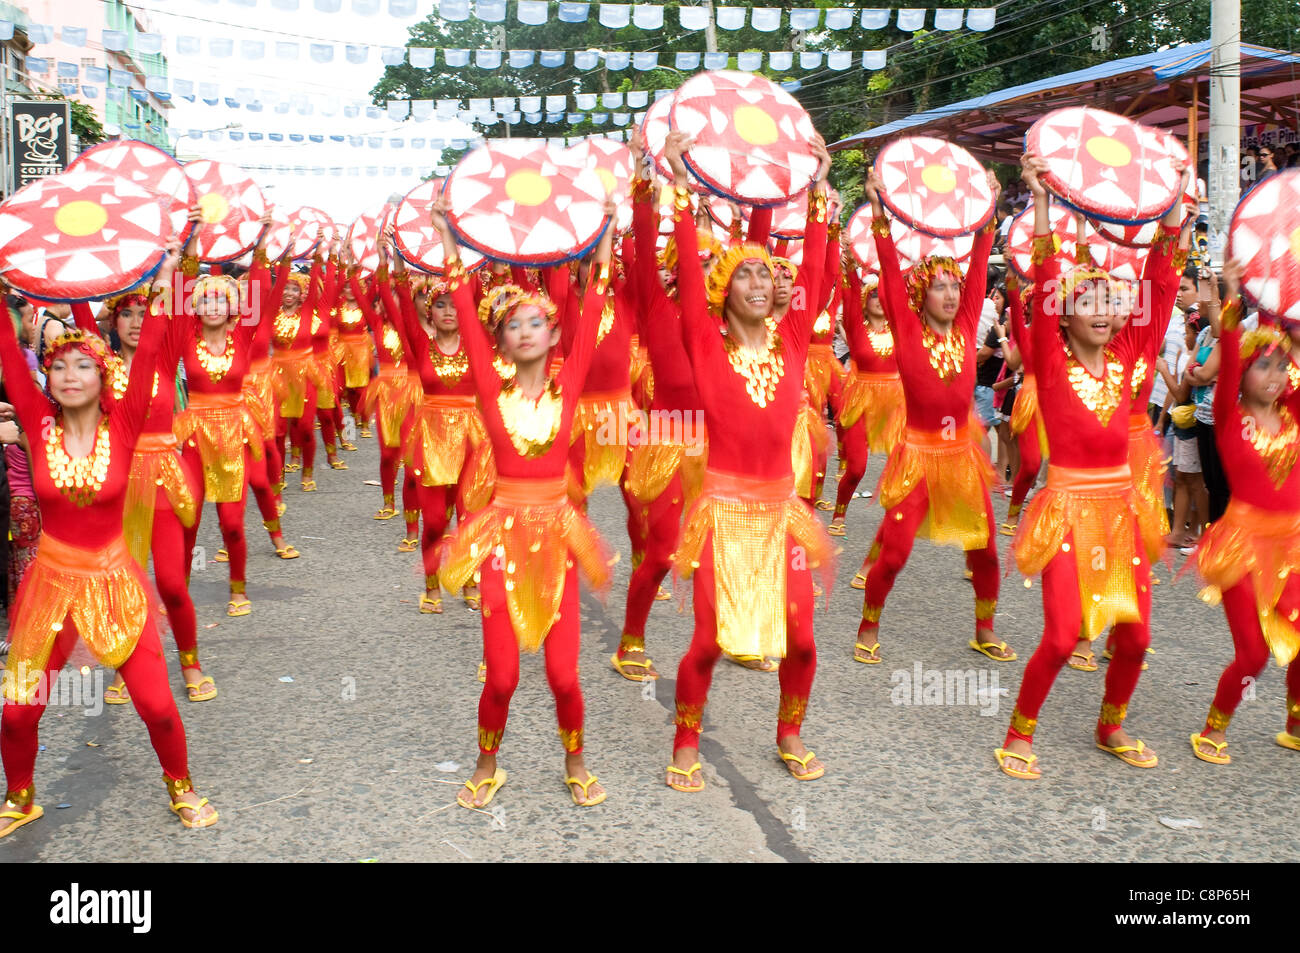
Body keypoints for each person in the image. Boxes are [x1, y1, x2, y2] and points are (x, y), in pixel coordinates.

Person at [0, 246, 217, 837]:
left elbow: (148, 352)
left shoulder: (123, 423)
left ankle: (183, 788)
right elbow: (6, 352)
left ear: (103, 377)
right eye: (60, 367)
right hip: (49, 587)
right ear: (47, 376)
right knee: (18, 714)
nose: (70, 377)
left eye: (84, 367)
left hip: (116, 584)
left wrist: (169, 276)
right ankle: (20, 798)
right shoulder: (36, 421)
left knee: (157, 709)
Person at [995, 151, 1184, 780]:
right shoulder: (1051, 364)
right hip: (1069, 509)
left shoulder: (1133, 357)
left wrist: (1173, 206)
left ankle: (1111, 725)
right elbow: (1047, 271)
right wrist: (1041, 199)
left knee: (1134, 639)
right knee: (1060, 635)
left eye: (1111, 299)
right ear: (1065, 310)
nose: (1103, 309)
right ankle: (1021, 734)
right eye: (1089, 300)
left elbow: (1159, 282)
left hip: (1124, 509)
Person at [661, 130, 835, 792]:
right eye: (745, 272)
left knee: (802, 638)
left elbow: (814, 267)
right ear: (722, 291)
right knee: (708, 641)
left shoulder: (794, 339)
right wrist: (680, 179)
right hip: (723, 515)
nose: (761, 279)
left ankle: (789, 731)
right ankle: (684, 736)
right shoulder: (705, 342)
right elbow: (684, 253)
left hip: (782, 517)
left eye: (768, 271)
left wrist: (818, 187)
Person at [430, 196, 616, 809]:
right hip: (501, 536)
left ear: (553, 334)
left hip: (559, 534)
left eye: (537, 321)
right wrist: (448, 238)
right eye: (514, 325)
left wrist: (607, 231)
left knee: (564, 675)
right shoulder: (489, 385)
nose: (526, 330)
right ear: (500, 342)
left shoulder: (572, 382)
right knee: (503, 675)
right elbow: (461, 300)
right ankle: (489, 763)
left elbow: (593, 307)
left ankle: (576, 760)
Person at [852, 166, 1008, 665]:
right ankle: (868, 624)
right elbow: (890, 272)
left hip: (962, 456)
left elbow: (981, 264)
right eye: (939, 287)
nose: (950, 293)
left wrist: (987, 215)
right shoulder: (907, 328)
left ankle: (984, 628)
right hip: (918, 458)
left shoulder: (966, 327)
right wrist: (877, 210)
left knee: (985, 551)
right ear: (922, 296)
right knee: (896, 553)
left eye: (953, 286)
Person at [1188, 263, 1300, 764]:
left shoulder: (1295, 413)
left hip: (1294, 544)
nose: (1274, 377)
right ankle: (1215, 726)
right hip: (1242, 546)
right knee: (1253, 654)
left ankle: (1295, 722)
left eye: (1282, 367)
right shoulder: (1231, 418)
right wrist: (1232, 301)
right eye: (1264, 366)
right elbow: (1230, 356)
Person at [831, 259, 904, 543]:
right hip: (861, 400)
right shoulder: (856, 327)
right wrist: (848, 268)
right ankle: (839, 512)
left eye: (880, 293)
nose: (876, 298)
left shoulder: (899, 327)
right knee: (857, 468)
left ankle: (898, 518)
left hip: (895, 404)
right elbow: (849, 297)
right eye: (871, 294)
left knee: (903, 464)